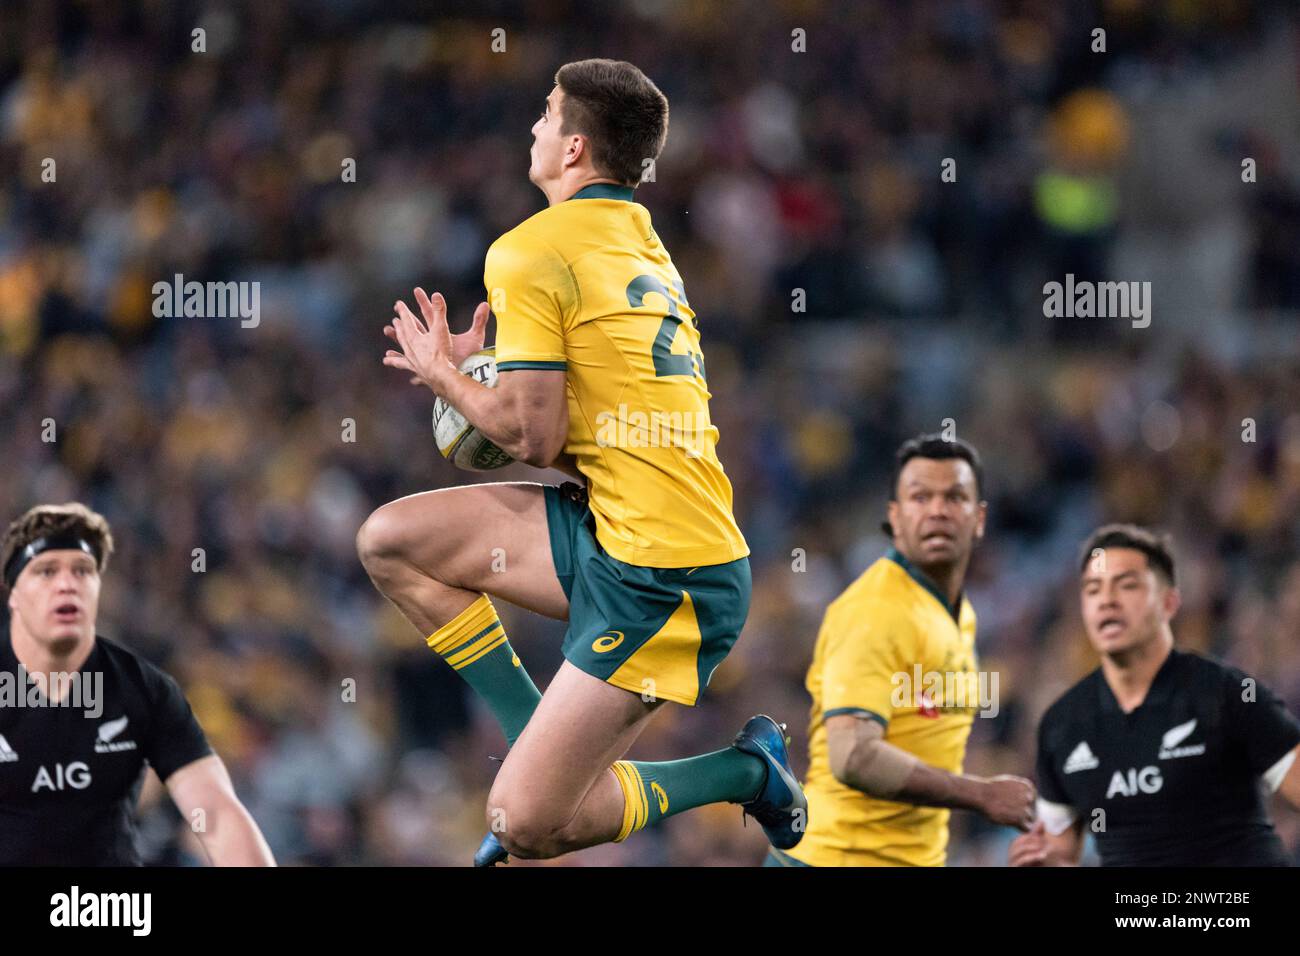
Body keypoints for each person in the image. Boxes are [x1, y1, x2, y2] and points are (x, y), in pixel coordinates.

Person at [357, 58, 804, 865]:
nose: (534, 126)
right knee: (392, 540)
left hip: (668, 577)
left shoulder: (530, 250)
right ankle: (538, 744)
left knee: (524, 826)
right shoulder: (640, 241)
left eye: (546, 113)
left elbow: (531, 438)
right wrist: (489, 375)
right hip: (621, 529)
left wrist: (448, 378)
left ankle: (745, 771)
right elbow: (575, 420)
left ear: (573, 148)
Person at [770, 435, 1035, 866]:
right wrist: (980, 793)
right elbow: (854, 755)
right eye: (920, 497)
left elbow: (925, 735)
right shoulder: (873, 610)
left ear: (980, 518)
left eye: (954, 496)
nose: (937, 510)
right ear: (894, 517)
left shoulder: (957, 614)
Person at [0, 502, 275, 866]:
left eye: (82, 571)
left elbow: (217, 817)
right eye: (46, 571)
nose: (67, 585)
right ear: (15, 594)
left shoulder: (144, 690)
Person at [1010, 524, 1300, 866]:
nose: (1107, 600)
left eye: (1127, 585)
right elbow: (1060, 851)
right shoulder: (1062, 724)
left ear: (1168, 602)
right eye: (1093, 590)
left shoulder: (1227, 693)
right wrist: (1040, 861)